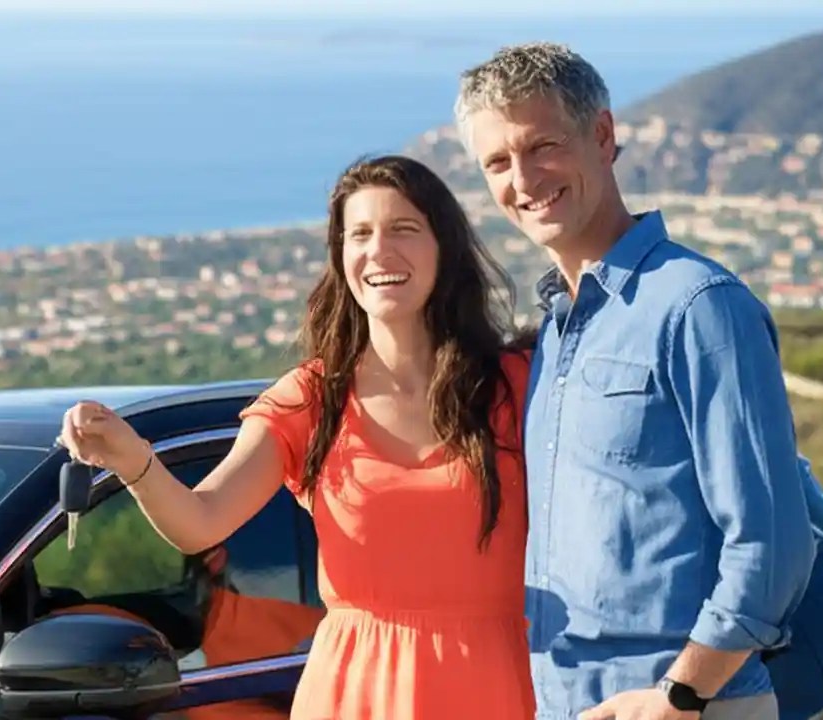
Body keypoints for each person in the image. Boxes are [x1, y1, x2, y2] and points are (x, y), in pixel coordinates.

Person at [59, 154, 537, 719]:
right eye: (359, 234)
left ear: (445, 248)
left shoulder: (517, 384)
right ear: (340, 255)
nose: (379, 251)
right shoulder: (311, 400)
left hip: (500, 681)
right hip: (354, 692)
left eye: (403, 229)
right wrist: (132, 459)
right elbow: (200, 522)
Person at [453, 43, 816, 720]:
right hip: (564, 702)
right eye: (498, 162)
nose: (523, 180)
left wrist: (681, 693)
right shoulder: (558, 328)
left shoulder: (699, 305)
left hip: (685, 704)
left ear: (603, 136)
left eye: (543, 147)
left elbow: (770, 543)